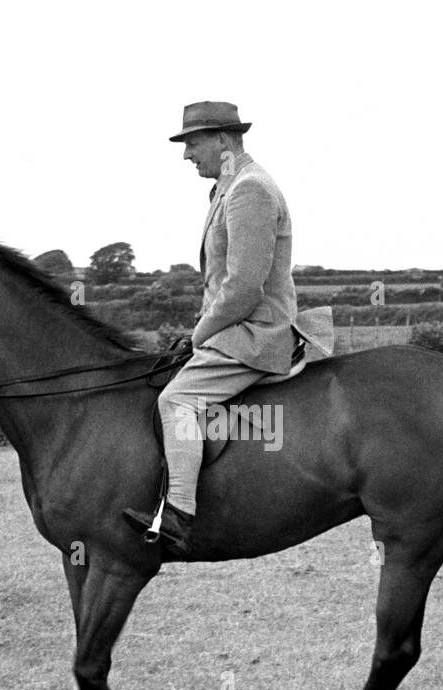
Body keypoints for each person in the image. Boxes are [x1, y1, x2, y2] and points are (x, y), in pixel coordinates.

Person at [123, 101, 329, 558]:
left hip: (256, 332)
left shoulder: (249, 190)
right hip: (235, 327)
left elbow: (243, 288)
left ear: (223, 139)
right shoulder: (227, 188)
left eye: (192, 143)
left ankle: (177, 515)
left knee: (175, 399)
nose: (187, 155)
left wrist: (202, 333)